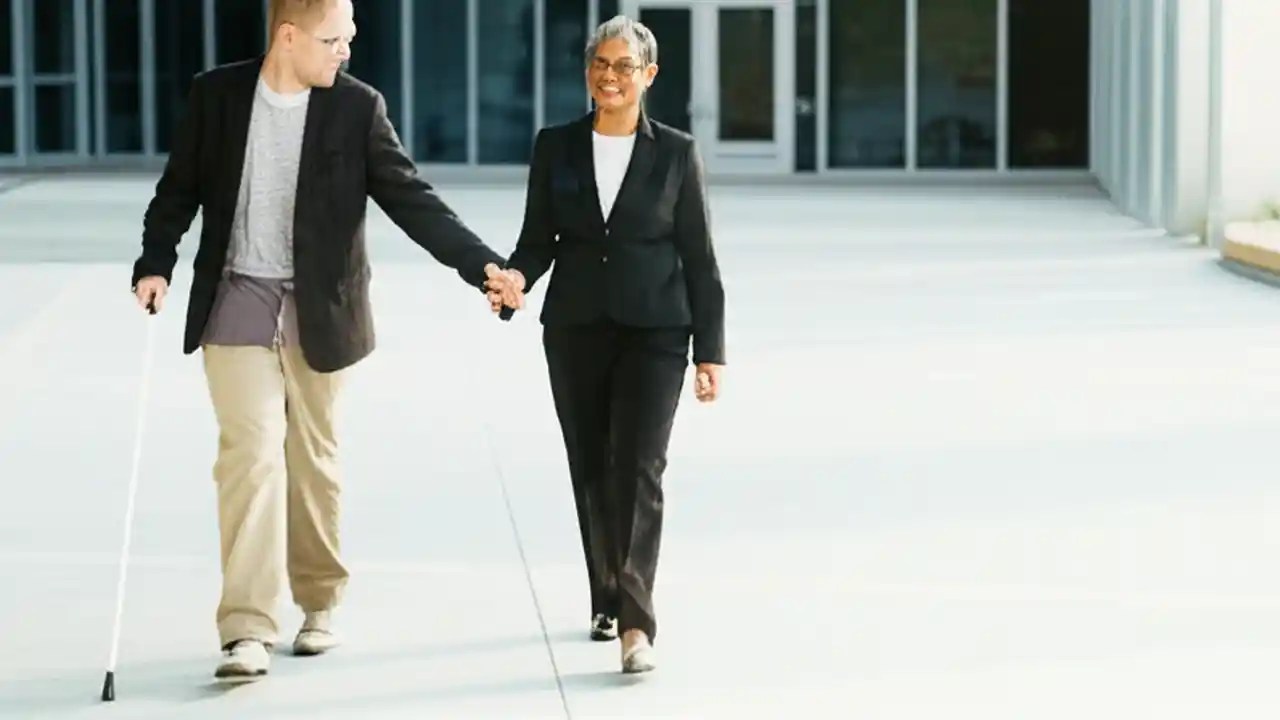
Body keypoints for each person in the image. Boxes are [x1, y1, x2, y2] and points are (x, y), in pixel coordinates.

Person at [130, 0, 524, 681]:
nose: (346, 50)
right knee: (249, 458)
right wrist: (155, 262)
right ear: (288, 36)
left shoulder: (356, 108)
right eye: (333, 38)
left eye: (351, 37)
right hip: (238, 296)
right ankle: (246, 629)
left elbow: (412, 199)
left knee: (313, 459)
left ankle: (317, 603)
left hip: (321, 307)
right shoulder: (217, 96)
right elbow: (179, 190)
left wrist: (483, 265)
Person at [491, 14, 726, 674]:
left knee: (640, 468)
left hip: (656, 329)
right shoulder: (556, 146)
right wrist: (514, 279)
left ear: (649, 76)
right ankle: (605, 595)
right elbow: (539, 239)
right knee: (592, 466)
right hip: (575, 330)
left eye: (625, 66)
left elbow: (700, 259)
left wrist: (711, 350)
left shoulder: (675, 153)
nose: (610, 76)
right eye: (600, 63)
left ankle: (636, 621)